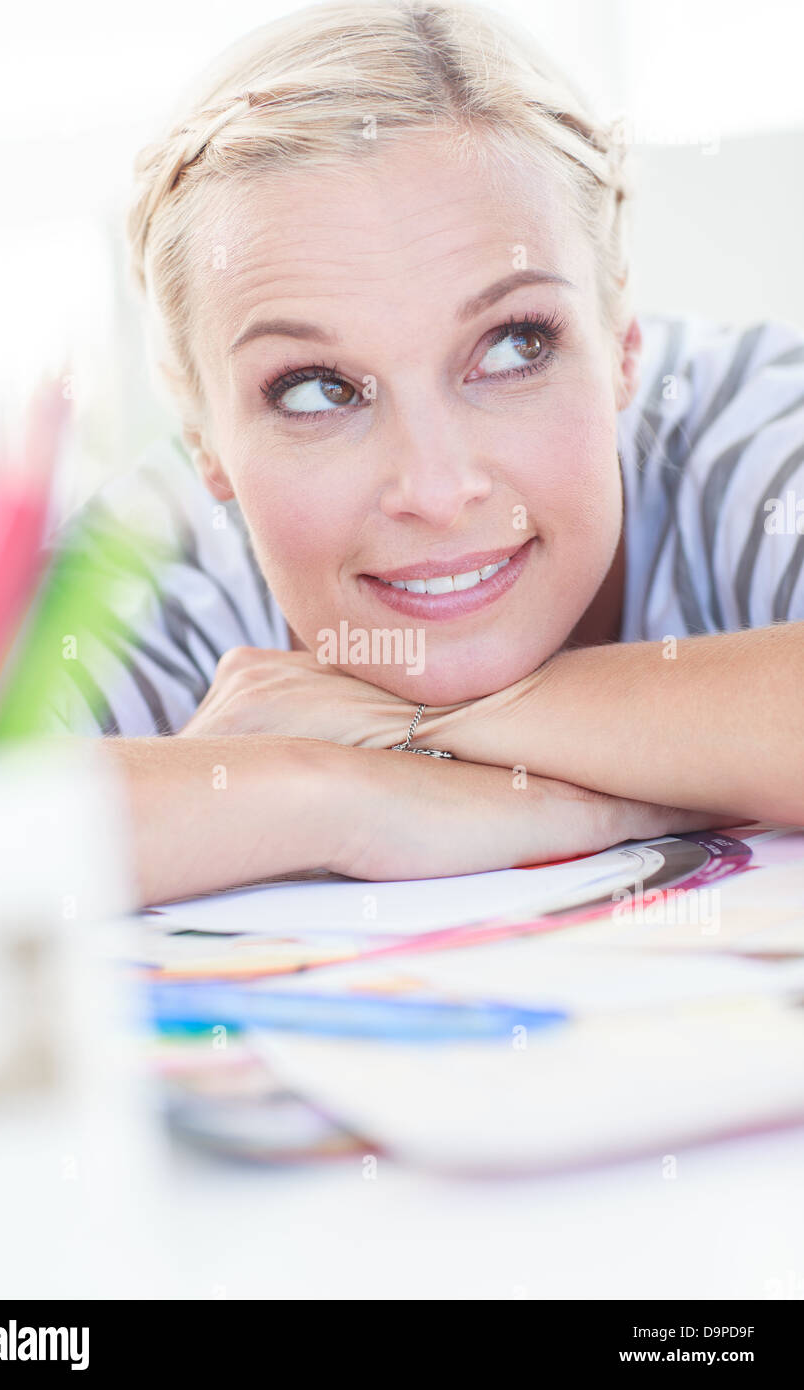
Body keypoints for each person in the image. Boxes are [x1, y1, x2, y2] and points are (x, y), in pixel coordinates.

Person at [49, 0, 804, 906]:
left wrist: (416, 726)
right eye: (319, 389)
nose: (437, 490)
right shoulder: (148, 560)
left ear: (623, 345)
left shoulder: (752, 428)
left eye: (515, 345)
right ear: (206, 442)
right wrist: (330, 793)